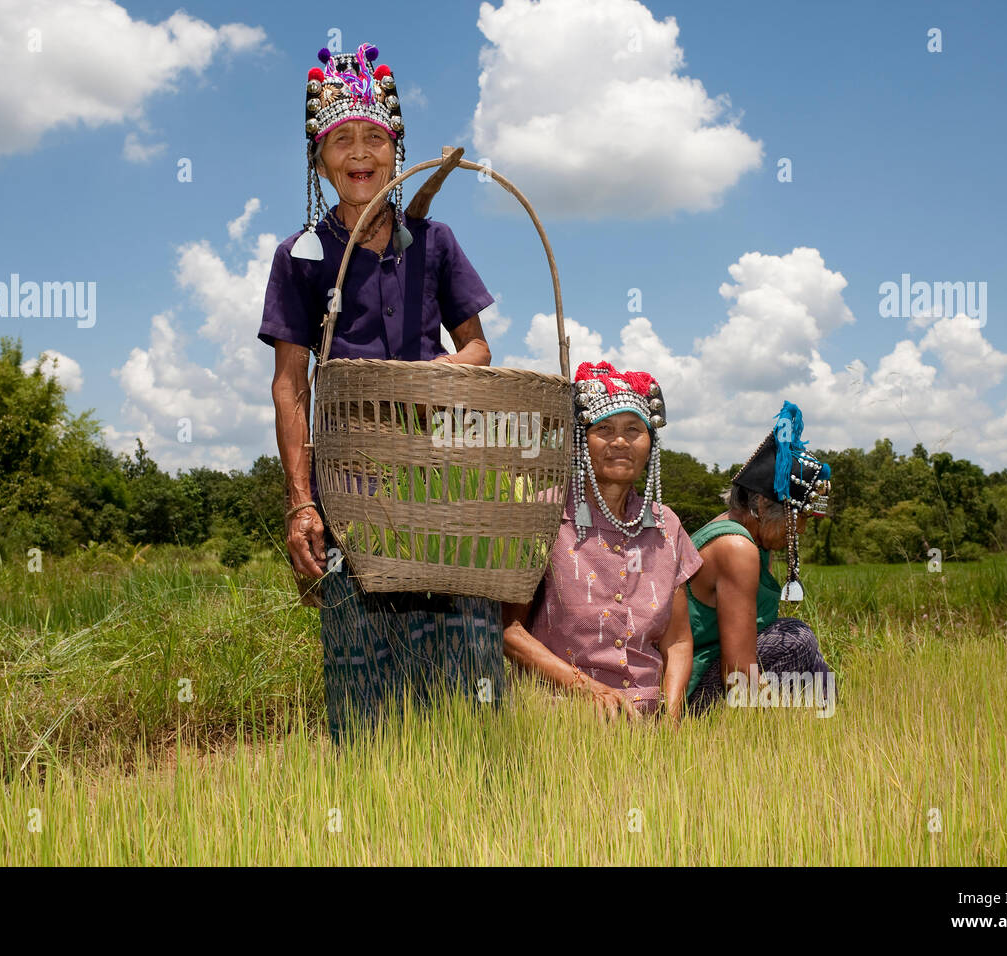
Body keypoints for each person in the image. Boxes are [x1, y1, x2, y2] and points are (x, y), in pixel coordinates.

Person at [258, 43, 501, 741]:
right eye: (341, 140)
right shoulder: (300, 256)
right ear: (318, 159)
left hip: (444, 478)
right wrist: (302, 502)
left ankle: (481, 806)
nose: (359, 153)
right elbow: (289, 386)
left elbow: (478, 349)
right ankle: (374, 810)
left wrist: (428, 378)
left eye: (374, 138)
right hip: (351, 484)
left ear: (397, 152)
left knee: (466, 664)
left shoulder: (436, 242)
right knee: (365, 680)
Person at [502, 362, 700, 722]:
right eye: (604, 429)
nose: (620, 441)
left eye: (633, 430)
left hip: (648, 718)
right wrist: (588, 690)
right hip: (561, 711)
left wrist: (670, 720)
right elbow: (510, 631)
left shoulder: (667, 525)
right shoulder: (543, 514)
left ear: (650, 444)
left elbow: (678, 642)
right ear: (581, 442)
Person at [686, 401, 835, 711]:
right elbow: (738, 669)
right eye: (799, 518)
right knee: (796, 640)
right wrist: (773, 728)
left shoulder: (750, 538)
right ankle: (814, 724)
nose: (802, 530)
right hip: (694, 687)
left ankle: (825, 721)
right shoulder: (735, 547)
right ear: (764, 506)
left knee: (794, 636)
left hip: (711, 673)